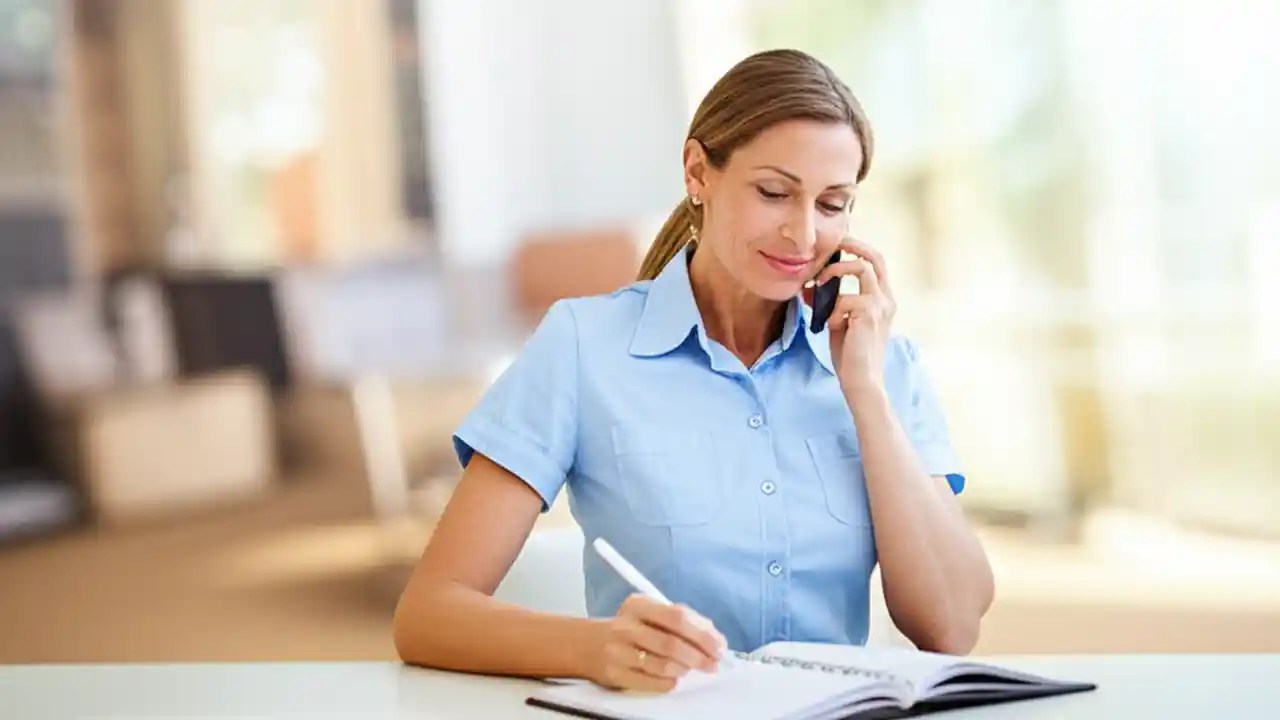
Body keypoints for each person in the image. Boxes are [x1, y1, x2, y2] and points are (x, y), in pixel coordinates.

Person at [394, 48, 993, 693]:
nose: (802, 234)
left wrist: (866, 395)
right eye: (773, 193)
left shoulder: (882, 364)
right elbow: (430, 614)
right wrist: (596, 648)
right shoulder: (582, 347)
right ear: (697, 172)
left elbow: (951, 629)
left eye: (832, 204)